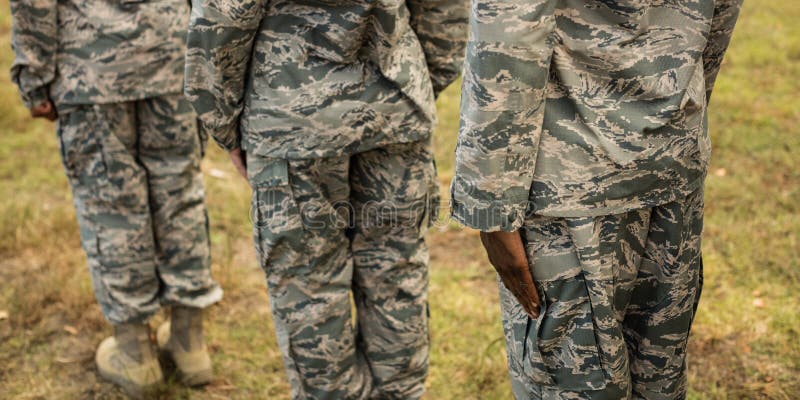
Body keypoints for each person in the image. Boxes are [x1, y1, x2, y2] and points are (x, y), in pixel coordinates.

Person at [450, 1, 743, 399]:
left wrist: (491, 203)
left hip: (569, 182)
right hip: (669, 165)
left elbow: (509, 27)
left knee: (575, 384)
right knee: (659, 374)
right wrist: (677, 113)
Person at [184, 0, 467, 398]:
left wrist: (226, 121)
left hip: (291, 118)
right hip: (393, 106)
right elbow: (444, 11)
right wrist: (416, 82)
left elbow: (224, 19)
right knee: (394, 273)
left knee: (308, 286)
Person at [9, 0, 223, 396]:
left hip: (92, 68)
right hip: (172, 53)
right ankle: (191, 346)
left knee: (112, 207)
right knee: (180, 196)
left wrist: (34, 77)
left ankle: (135, 355)